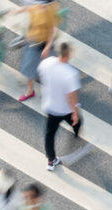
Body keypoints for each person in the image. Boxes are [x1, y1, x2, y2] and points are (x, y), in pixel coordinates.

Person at [37, 42, 81, 171]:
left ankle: (51, 160)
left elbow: (41, 76)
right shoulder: (70, 73)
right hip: (65, 109)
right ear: (69, 54)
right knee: (77, 123)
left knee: (50, 134)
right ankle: (77, 141)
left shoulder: (47, 63)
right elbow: (71, 96)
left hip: (50, 106)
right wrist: (75, 112)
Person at [16, 0, 61, 102]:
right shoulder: (35, 8)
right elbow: (31, 21)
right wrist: (27, 36)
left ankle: (52, 89)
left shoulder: (50, 11)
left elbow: (52, 31)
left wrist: (47, 47)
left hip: (45, 44)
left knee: (48, 68)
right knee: (30, 67)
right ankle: (30, 91)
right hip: (34, 42)